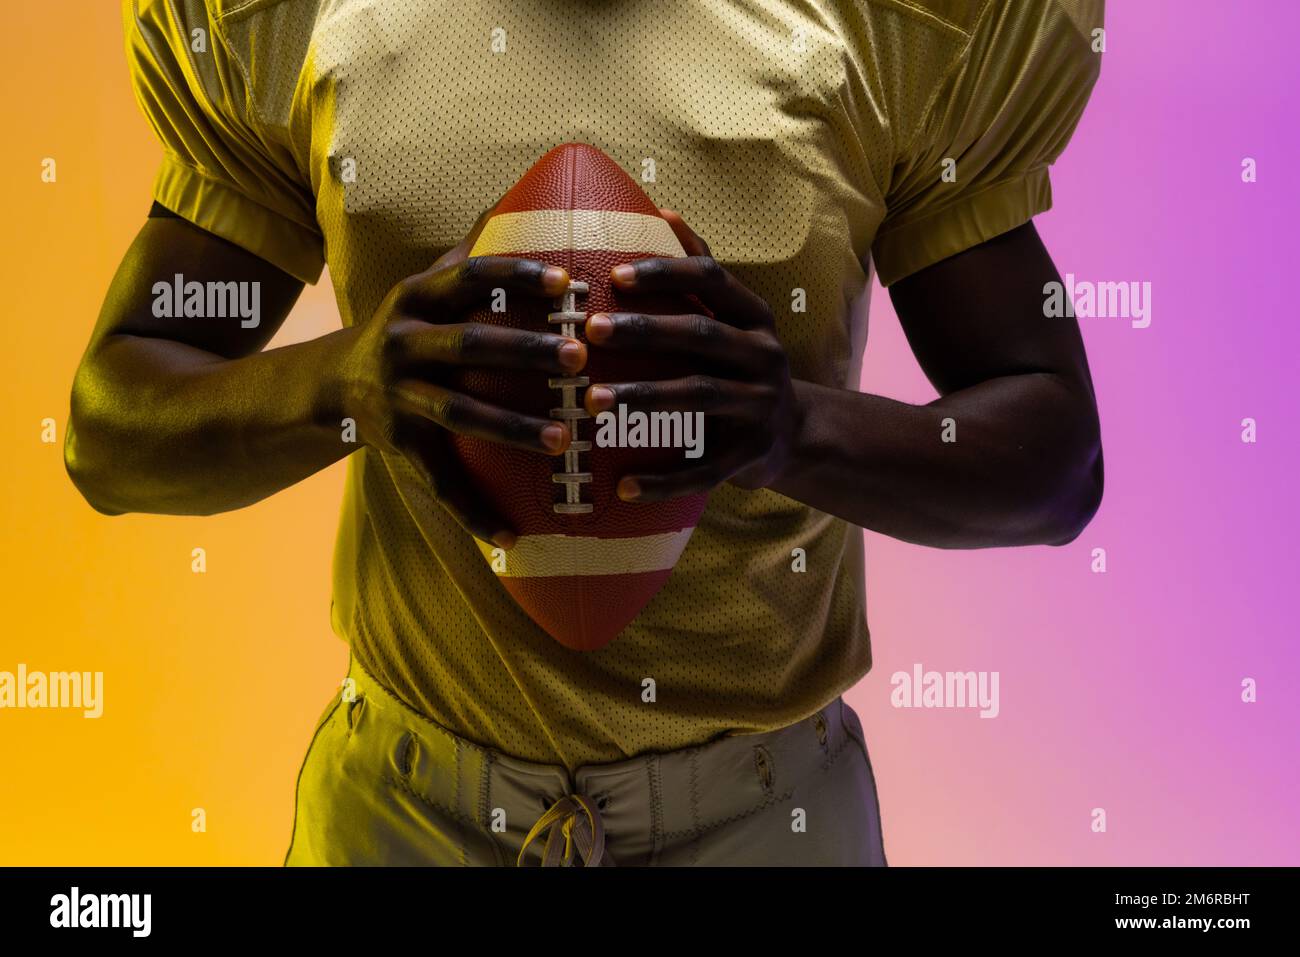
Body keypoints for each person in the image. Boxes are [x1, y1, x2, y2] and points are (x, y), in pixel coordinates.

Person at [67, 0, 1104, 866]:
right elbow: (113, 427)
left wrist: (788, 428)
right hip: (403, 815)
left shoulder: (893, 24)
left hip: (762, 821)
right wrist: (341, 383)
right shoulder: (294, 21)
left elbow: (1054, 459)